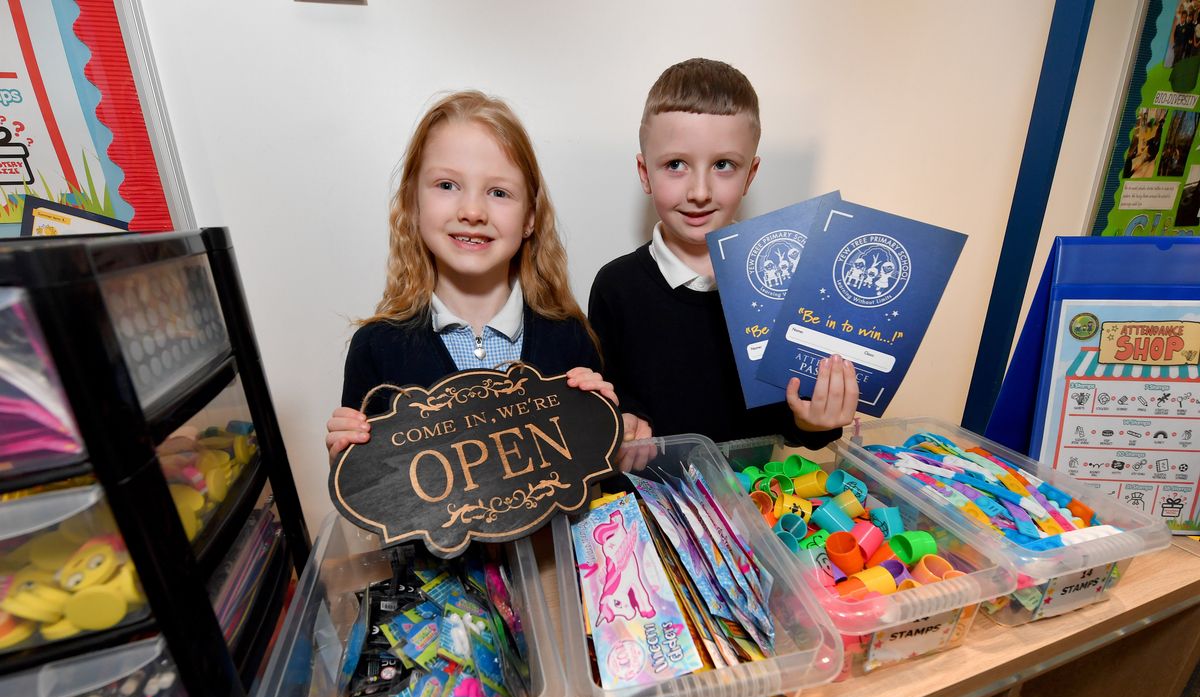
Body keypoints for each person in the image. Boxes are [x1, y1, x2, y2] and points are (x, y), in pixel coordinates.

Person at [326, 91, 614, 461]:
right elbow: (372, 483)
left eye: (499, 192)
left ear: (529, 217)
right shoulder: (375, 348)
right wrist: (347, 462)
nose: (473, 211)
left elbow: (597, 474)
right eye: (447, 185)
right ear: (413, 202)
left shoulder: (569, 339)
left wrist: (604, 426)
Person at [588, 58, 859, 451]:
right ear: (645, 173)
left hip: (756, 486)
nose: (700, 192)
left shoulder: (785, 286)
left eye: (723, 165)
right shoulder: (616, 287)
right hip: (651, 487)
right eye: (675, 164)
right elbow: (610, 392)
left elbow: (792, 416)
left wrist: (815, 420)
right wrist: (625, 418)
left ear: (750, 175)